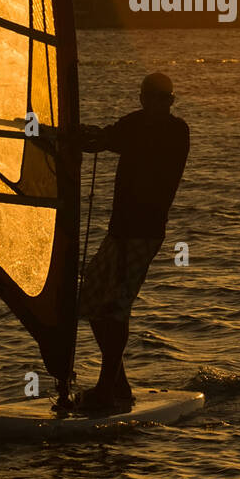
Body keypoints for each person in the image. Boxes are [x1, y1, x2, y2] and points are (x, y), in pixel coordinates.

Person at [74, 72, 190, 413]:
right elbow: (102, 139)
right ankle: (118, 386)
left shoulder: (174, 132)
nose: (153, 105)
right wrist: (60, 134)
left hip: (144, 233)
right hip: (119, 230)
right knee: (92, 302)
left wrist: (92, 138)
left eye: (161, 100)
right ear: (142, 99)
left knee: (116, 308)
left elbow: (115, 139)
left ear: (169, 102)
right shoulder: (135, 125)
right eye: (149, 98)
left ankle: (106, 390)